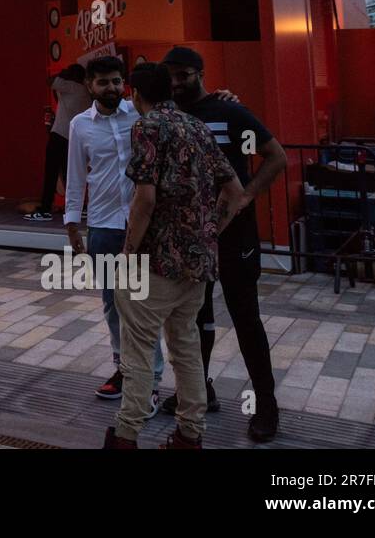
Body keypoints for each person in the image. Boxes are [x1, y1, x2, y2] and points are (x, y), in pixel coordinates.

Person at [104, 64, 243, 449]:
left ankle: (125, 435)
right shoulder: (196, 126)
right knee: (187, 350)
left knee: (137, 352)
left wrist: (128, 252)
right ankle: (189, 434)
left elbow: (145, 199)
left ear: (135, 93)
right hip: (196, 265)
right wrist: (208, 230)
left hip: (155, 264)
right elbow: (235, 191)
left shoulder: (147, 128)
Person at [162, 45, 287, 442]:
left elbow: (276, 157)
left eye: (185, 74)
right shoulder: (170, 116)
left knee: (246, 317)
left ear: (201, 73)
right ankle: (199, 392)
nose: (178, 82)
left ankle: (266, 407)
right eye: (172, 76)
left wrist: (246, 197)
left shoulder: (231, 112)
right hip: (192, 236)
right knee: (195, 319)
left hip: (235, 235)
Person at [63, 55, 165, 408]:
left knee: (142, 304)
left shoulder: (141, 115)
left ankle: (150, 379)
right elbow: (77, 175)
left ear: (125, 85)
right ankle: (123, 369)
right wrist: (72, 221)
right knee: (112, 304)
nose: (111, 88)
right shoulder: (80, 125)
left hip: (143, 225)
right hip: (105, 226)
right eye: (103, 82)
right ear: (90, 86)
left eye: (117, 81)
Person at [29, 64, 89, 221]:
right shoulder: (86, 92)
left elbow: (50, 81)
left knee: (51, 172)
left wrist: (63, 73)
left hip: (60, 135)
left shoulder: (69, 86)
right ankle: (78, 208)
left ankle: (45, 209)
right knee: (71, 175)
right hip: (75, 138)